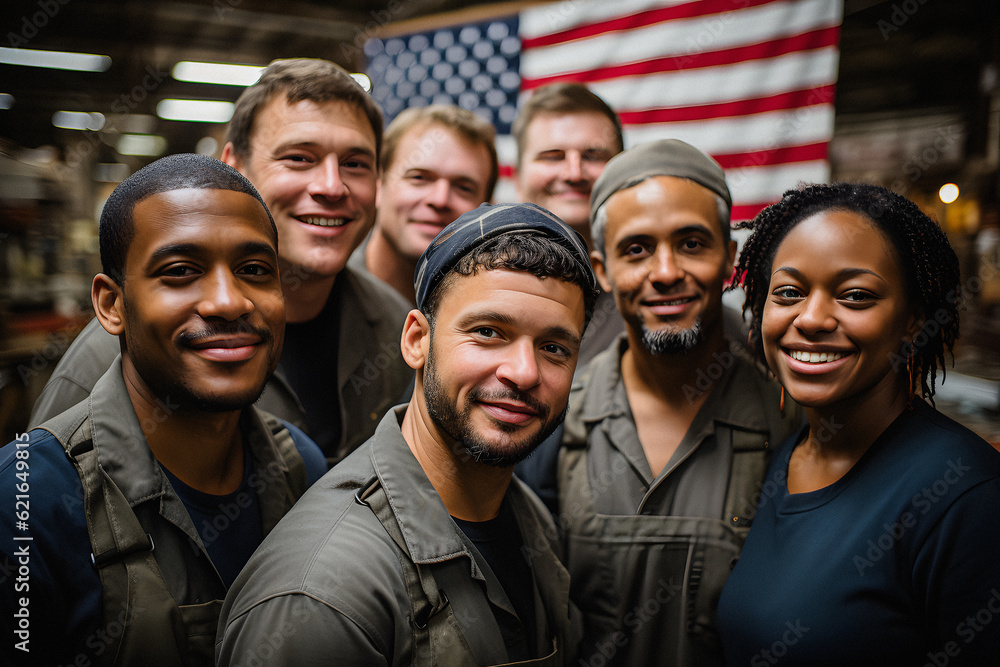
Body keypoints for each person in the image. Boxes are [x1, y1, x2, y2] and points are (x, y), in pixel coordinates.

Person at [216, 203, 599, 665]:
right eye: (488, 332)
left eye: (554, 348)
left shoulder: (527, 518)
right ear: (417, 340)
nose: (523, 372)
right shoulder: (321, 595)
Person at [0, 154, 327, 667]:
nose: (228, 301)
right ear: (112, 305)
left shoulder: (299, 470)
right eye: (180, 272)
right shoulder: (23, 501)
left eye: (255, 270)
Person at [29, 59, 412, 465]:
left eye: (355, 164)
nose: (332, 187)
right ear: (234, 168)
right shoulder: (109, 361)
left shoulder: (395, 328)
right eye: (299, 158)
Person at [518, 139, 802, 666]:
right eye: (637, 249)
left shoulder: (791, 421)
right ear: (601, 271)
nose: (666, 270)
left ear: (729, 260)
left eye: (692, 244)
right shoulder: (553, 417)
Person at [717, 183, 1000, 666]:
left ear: (912, 321)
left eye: (854, 296)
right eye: (788, 292)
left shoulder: (966, 495)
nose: (811, 318)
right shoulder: (785, 456)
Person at [513, 82, 625, 368]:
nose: (574, 173)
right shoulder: (477, 283)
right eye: (553, 156)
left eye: (593, 156)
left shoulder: (653, 293)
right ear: (517, 178)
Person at [351, 104, 498, 304]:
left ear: (487, 208)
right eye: (419, 178)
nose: (439, 200)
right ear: (378, 184)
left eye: (463, 188)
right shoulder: (322, 290)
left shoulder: (493, 307)